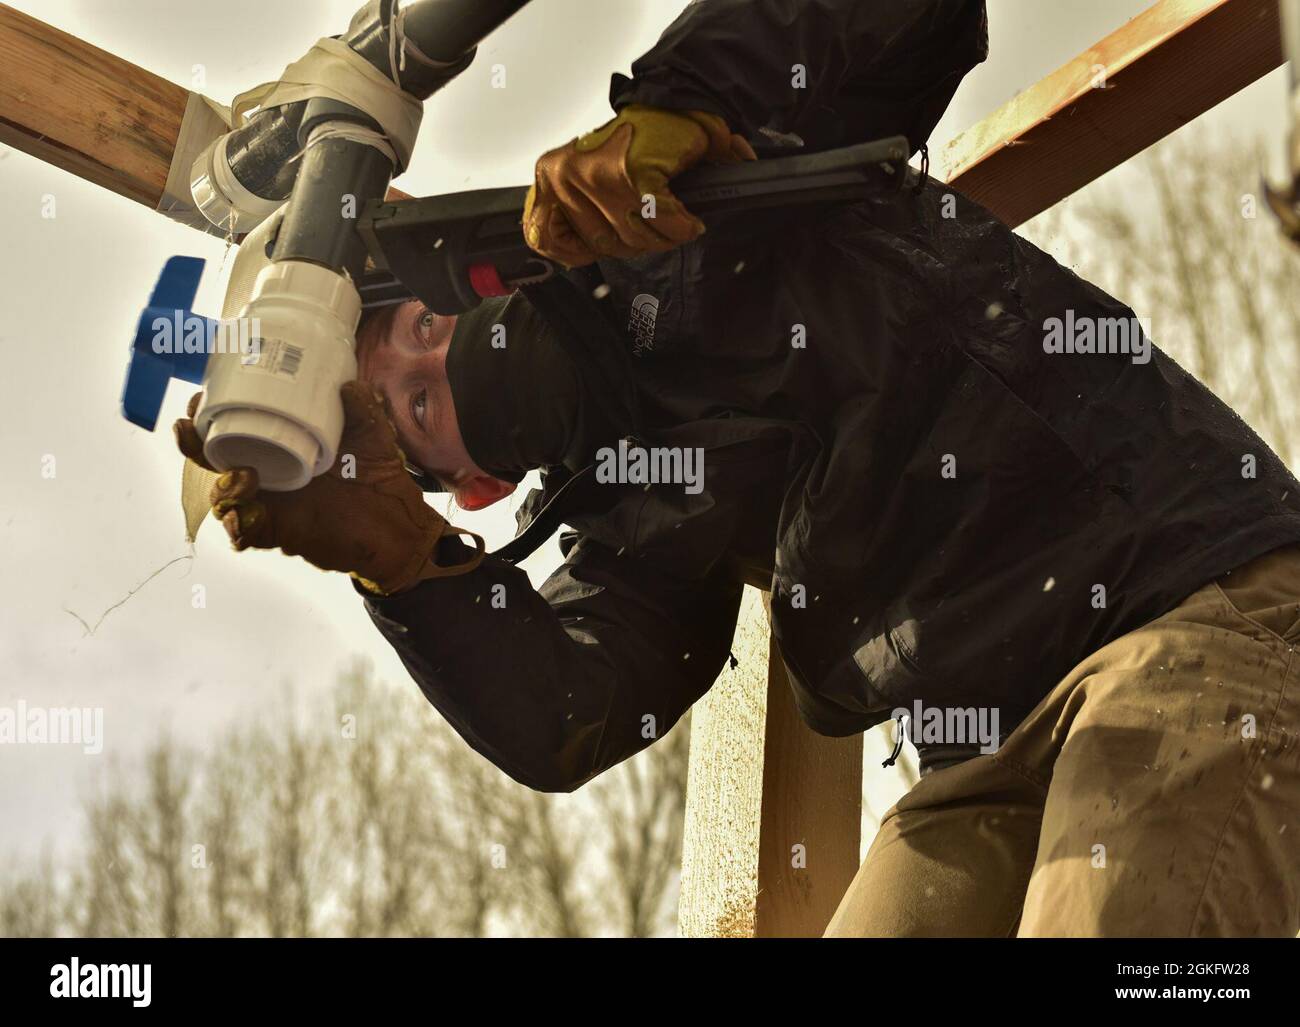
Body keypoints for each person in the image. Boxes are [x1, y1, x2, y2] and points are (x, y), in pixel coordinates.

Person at [175, 0, 1300, 936]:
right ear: (473, 488)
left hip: (1183, 607)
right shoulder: (639, 517)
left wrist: (696, 91)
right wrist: (410, 573)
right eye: (412, 406)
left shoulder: (713, 201)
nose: (439, 353)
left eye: (422, 326)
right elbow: (569, 712)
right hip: (973, 753)